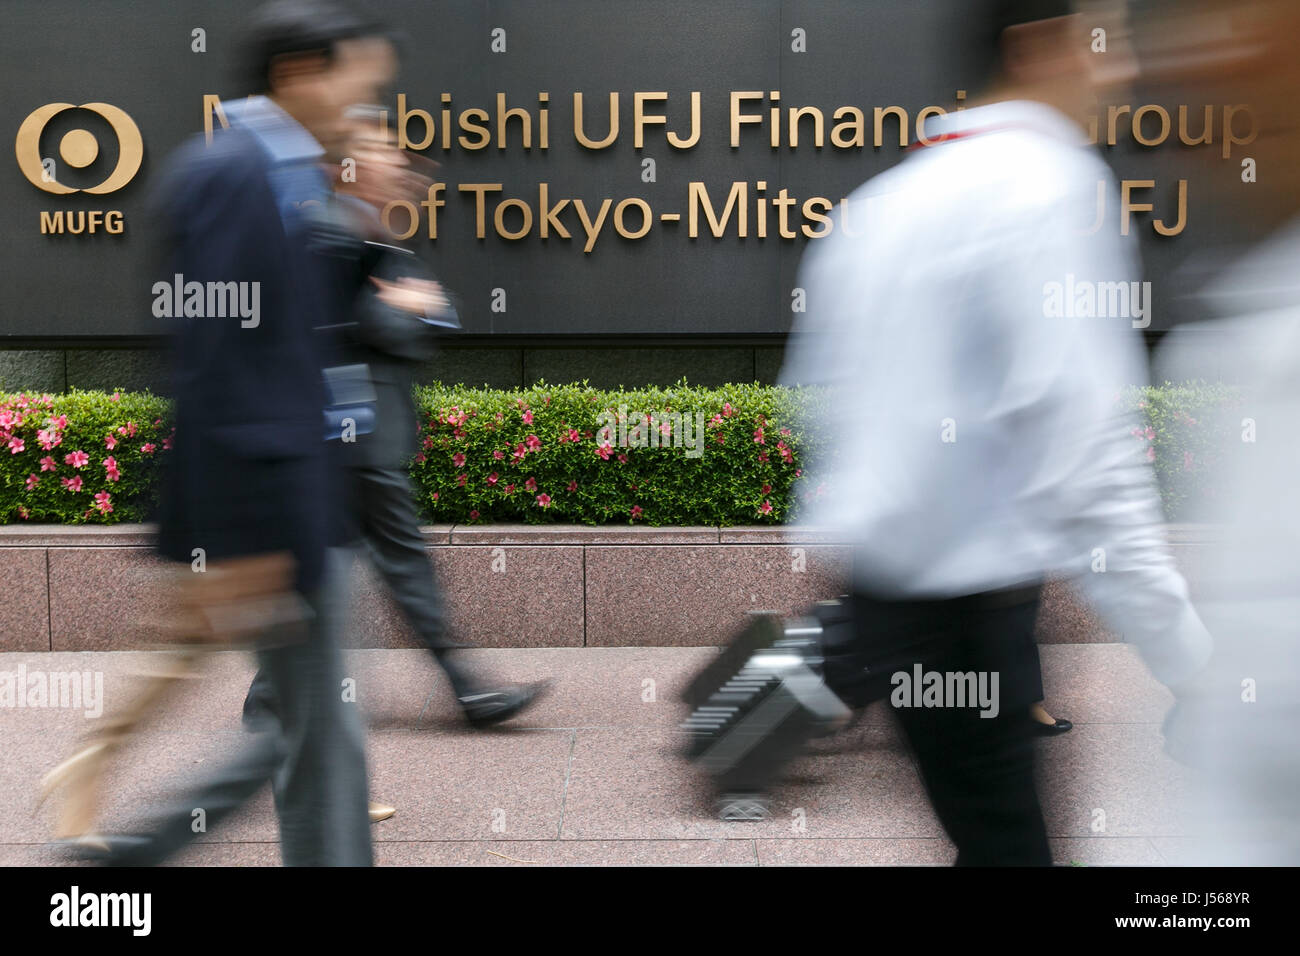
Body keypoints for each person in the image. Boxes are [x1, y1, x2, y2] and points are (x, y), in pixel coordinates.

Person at [780, 0, 1212, 865]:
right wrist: (1192, 661)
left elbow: (825, 404)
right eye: (1107, 39)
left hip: (891, 602)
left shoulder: (882, 200)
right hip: (973, 613)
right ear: (1038, 44)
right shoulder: (1047, 189)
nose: (1122, 66)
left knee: (992, 841)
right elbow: (1087, 452)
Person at [92, 0, 397, 866]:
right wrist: (243, 532)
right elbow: (215, 361)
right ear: (298, 74)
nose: (364, 106)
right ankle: (135, 853)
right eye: (356, 83)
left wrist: (368, 226)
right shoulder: (233, 173)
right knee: (317, 728)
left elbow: (293, 340)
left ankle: (138, 851)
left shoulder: (291, 171)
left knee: (317, 727)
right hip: (272, 506)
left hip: (301, 499)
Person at [241, 108, 548, 748]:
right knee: (398, 564)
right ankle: (467, 690)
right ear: (343, 166)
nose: (401, 167)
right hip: (350, 433)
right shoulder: (328, 231)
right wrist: (394, 307)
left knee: (335, 568)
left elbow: (435, 321)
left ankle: (272, 702)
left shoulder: (375, 236)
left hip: (359, 431)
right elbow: (379, 328)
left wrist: (399, 309)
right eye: (384, 153)